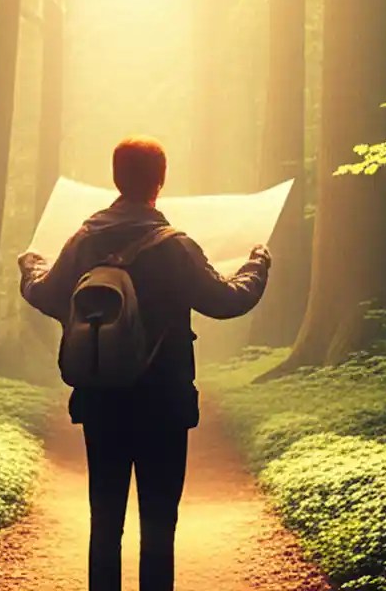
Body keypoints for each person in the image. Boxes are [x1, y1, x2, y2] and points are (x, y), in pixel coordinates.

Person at [16, 135, 271, 591]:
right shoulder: (175, 247)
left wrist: (31, 266)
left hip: (101, 400)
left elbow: (45, 293)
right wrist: (257, 265)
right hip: (164, 404)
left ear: (115, 178)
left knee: (105, 523)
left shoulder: (83, 241)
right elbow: (227, 300)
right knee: (158, 526)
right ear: (160, 182)